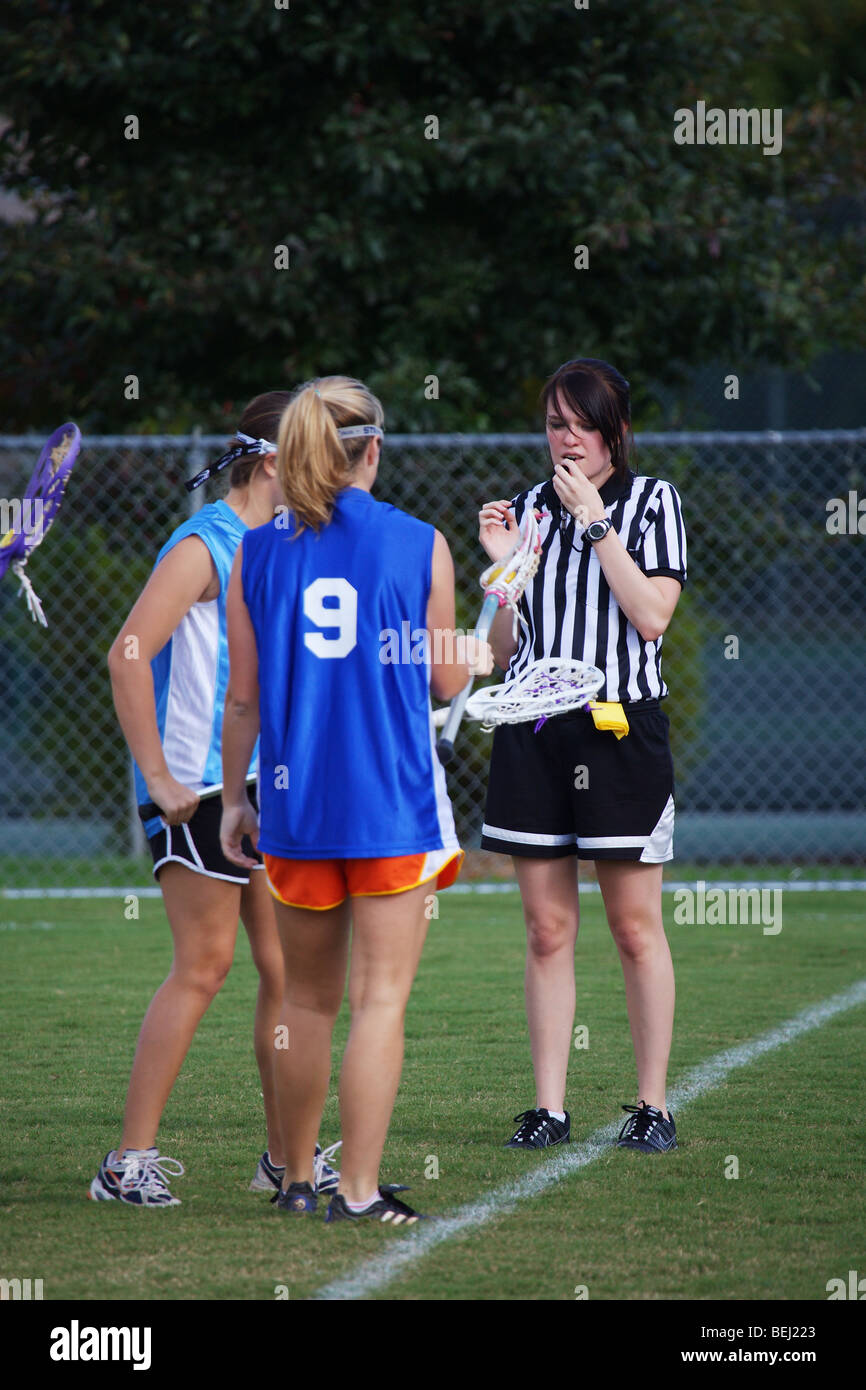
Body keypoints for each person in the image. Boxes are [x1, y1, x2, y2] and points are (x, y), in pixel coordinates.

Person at [220, 375, 493, 1222]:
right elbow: (450, 676)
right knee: (380, 1001)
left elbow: (244, 699)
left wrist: (235, 801)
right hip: (388, 804)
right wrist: (495, 617)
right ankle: (360, 1191)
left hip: (298, 809)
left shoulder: (255, 548)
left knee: (305, 1000)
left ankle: (297, 1183)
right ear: (373, 449)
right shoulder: (419, 542)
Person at [90, 392, 340, 1205]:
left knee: (284, 971)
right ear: (273, 459)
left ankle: (285, 1163)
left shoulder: (285, 541)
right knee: (205, 965)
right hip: (196, 790)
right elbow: (127, 654)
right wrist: (160, 779)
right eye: (313, 450)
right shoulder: (208, 543)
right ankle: (126, 1164)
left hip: (262, 792)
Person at [478, 358, 687, 1154]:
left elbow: (651, 616)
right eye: (553, 424)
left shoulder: (652, 501)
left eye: (579, 424)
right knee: (545, 929)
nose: (564, 439)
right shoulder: (528, 509)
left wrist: (596, 522)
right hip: (536, 731)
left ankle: (652, 1104)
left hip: (619, 729)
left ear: (615, 433)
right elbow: (501, 650)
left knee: (634, 927)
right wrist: (504, 569)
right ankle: (549, 1107)